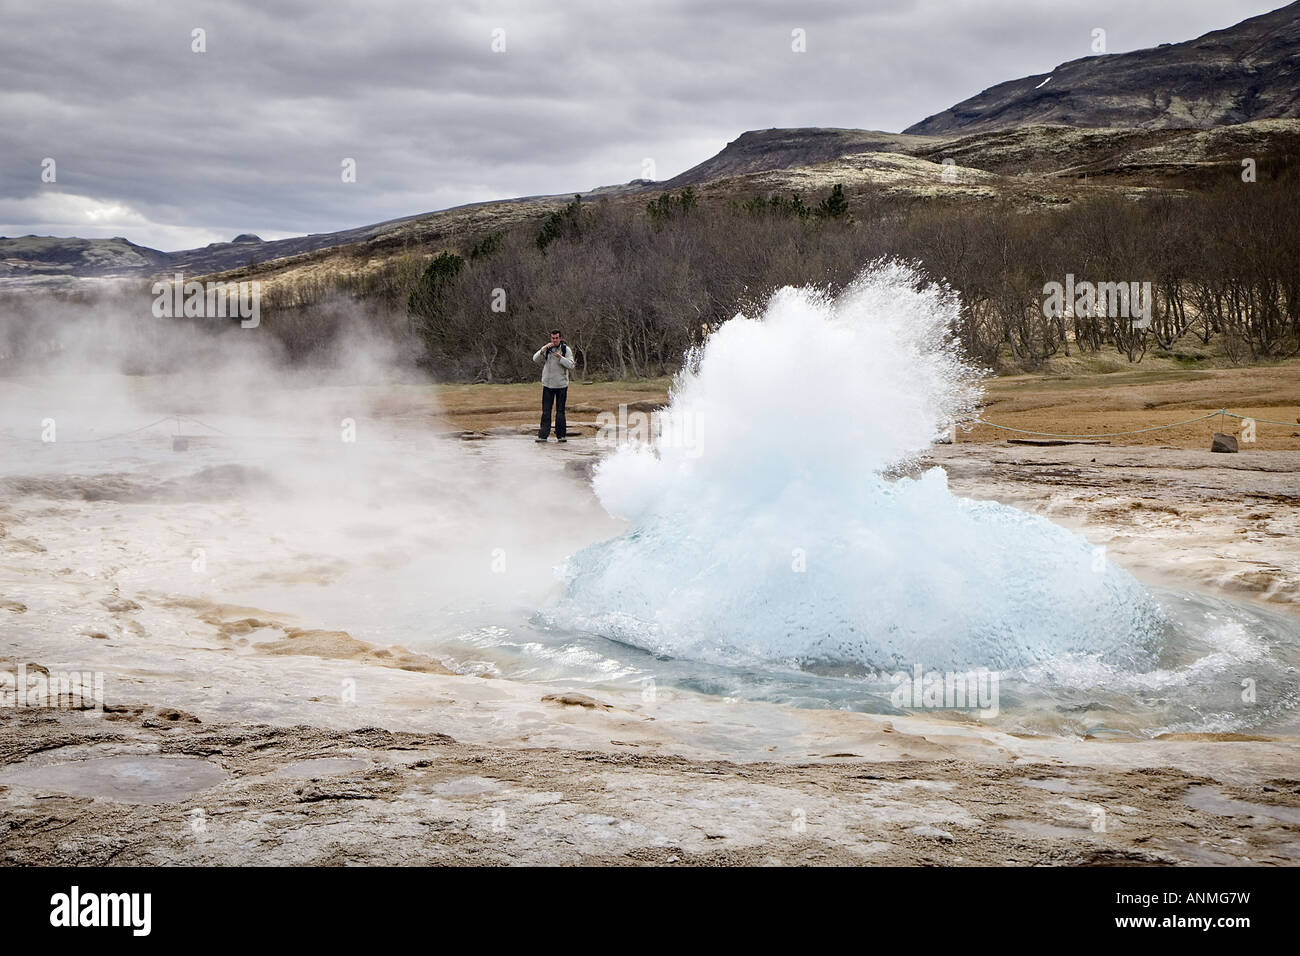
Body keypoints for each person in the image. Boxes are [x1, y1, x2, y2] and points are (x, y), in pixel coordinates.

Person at [532, 329, 575, 442]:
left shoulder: (566, 349)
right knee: (546, 411)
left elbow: (571, 365)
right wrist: (543, 349)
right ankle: (543, 435)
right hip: (547, 385)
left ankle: (561, 435)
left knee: (560, 411)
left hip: (561, 385)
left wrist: (560, 358)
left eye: (556, 338)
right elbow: (534, 359)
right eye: (552, 338)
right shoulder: (547, 349)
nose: (554, 340)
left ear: (560, 338)